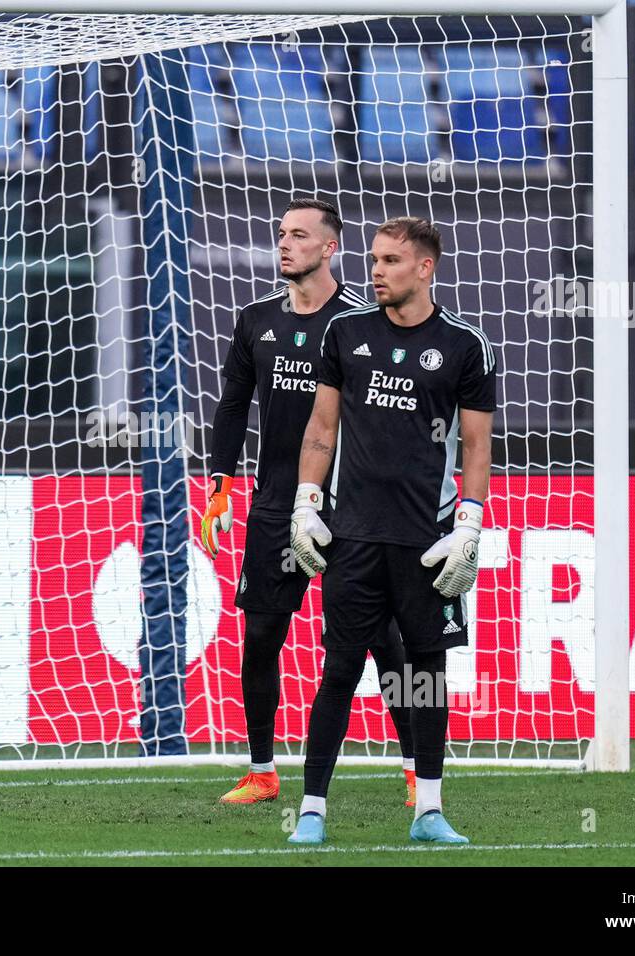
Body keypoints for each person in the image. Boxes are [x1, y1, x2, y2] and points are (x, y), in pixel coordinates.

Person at [286, 216, 496, 845]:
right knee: (340, 673)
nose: (376, 271)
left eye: (390, 261)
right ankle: (312, 813)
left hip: (428, 540)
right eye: (373, 260)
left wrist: (470, 524)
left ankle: (428, 810)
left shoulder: (465, 345)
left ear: (424, 268)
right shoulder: (345, 335)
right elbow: (322, 430)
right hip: (353, 536)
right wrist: (305, 503)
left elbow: (477, 445)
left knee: (426, 675)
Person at [200, 198, 416, 807]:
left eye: (299, 235)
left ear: (330, 248)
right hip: (275, 504)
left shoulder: (364, 321)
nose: (285, 244)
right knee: (261, 635)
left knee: (381, 640)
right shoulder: (255, 320)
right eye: (280, 234)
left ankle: (412, 771)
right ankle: (263, 772)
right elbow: (233, 405)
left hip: (350, 508)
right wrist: (220, 483)